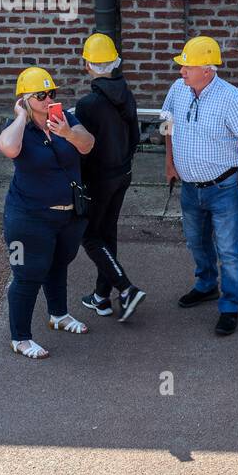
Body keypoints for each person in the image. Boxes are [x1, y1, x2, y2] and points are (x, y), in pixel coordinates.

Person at [162, 36, 238, 336]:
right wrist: (169, 160)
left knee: (229, 250)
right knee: (195, 240)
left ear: (207, 70)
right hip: (190, 187)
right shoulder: (178, 90)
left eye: (187, 67)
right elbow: (168, 123)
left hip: (224, 186)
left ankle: (229, 306)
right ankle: (206, 285)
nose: (181, 72)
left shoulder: (231, 97)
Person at [0, 66, 96, 358]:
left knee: (58, 265)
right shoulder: (18, 128)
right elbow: (8, 148)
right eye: (39, 95)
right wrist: (21, 117)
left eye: (51, 93)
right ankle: (20, 337)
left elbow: (88, 144)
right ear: (24, 99)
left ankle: (58, 315)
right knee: (27, 275)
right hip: (27, 218)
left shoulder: (65, 119)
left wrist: (67, 132)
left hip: (67, 215)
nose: (47, 98)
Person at [75, 33, 146, 323]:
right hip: (122, 174)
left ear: (88, 65)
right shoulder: (126, 94)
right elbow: (136, 136)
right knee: (108, 233)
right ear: (114, 62)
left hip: (99, 179)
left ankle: (126, 288)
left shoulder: (87, 104)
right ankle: (101, 297)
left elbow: (83, 147)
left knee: (89, 235)